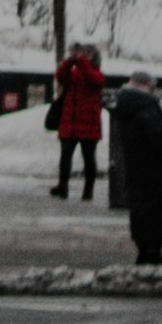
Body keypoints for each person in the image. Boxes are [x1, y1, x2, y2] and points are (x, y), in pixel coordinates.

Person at [113, 66, 162, 271]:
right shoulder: (147, 106)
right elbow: (157, 137)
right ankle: (153, 251)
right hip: (155, 168)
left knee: (141, 209)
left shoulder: (125, 105)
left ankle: (144, 250)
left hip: (135, 166)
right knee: (157, 209)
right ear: (147, 85)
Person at [49, 36, 106, 204]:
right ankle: (62, 185)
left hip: (88, 123)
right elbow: (60, 76)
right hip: (70, 122)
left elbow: (92, 79)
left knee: (89, 157)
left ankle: (88, 189)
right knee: (65, 156)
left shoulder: (96, 73)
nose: (83, 56)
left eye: (87, 53)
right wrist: (69, 61)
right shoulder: (73, 73)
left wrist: (81, 62)